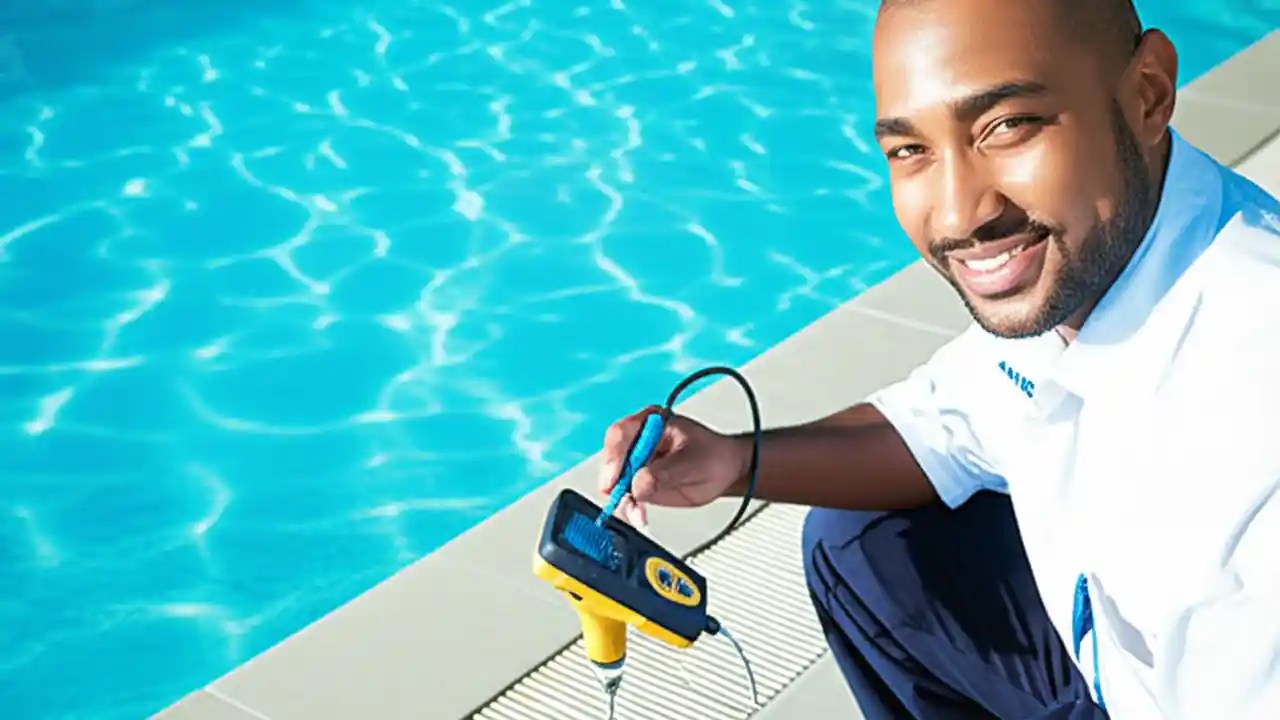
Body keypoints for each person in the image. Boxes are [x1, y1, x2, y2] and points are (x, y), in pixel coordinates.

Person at [596, 0, 1280, 718]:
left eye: (1007, 126)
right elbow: (938, 426)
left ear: (1148, 94)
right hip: (1122, 669)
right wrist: (734, 461)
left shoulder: (1247, 423)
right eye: (910, 151)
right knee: (863, 540)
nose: (959, 214)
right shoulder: (1103, 257)